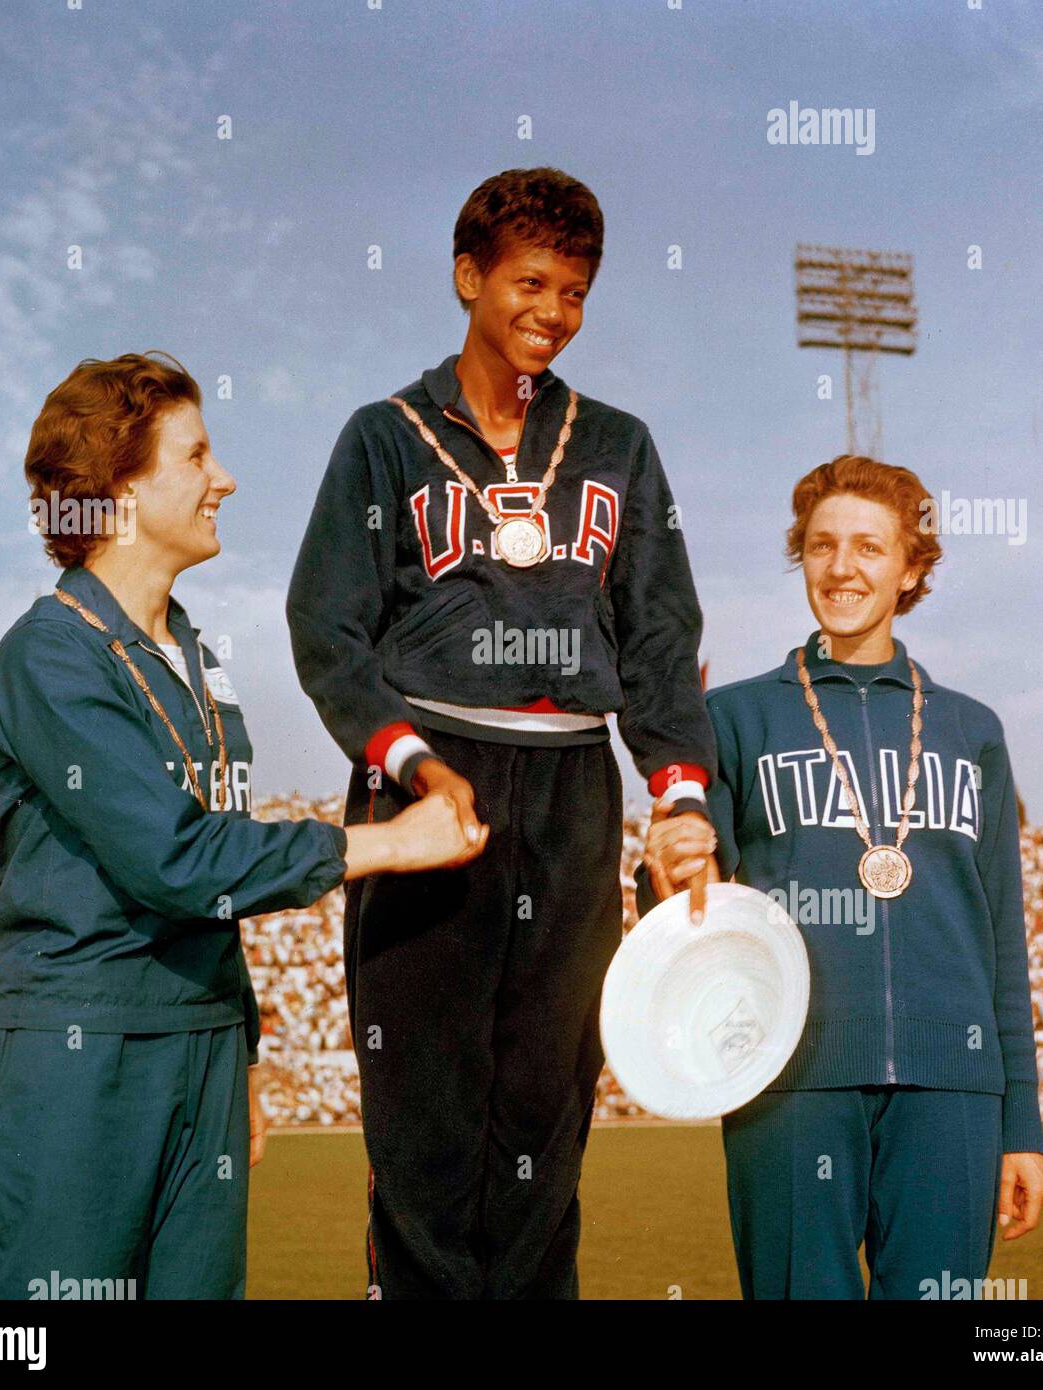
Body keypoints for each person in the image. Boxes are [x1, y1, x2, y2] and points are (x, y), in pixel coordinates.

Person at [0, 351, 485, 1301]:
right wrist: (391, 844)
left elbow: (212, 895)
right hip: (78, 1062)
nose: (223, 478)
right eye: (195, 457)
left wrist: (240, 1047)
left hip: (200, 1053)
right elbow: (175, 858)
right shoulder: (46, 657)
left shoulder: (197, 655)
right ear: (117, 486)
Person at [287, 168, 717, 1299]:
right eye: (532, 281)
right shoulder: (382, 438)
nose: (554, 310)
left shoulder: (617, 444)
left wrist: (679, 795)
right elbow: (326, 625)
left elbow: (662, 635)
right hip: (433, 784)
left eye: (576, 291)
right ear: (469, 276)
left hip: (575, 786)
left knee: (544, 1117)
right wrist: (408, 762)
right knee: (426, 1125)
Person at [639, 454, 1043, 1300]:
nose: (841, 568)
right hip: (791, 1083)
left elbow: (1001, 943)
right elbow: (693, 902)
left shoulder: (972, 730)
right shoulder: (734, 717)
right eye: (821, 546)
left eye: (869, 548)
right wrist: (664, 866)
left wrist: (1022, 1127)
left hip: (952, 1090)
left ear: (911, 568)